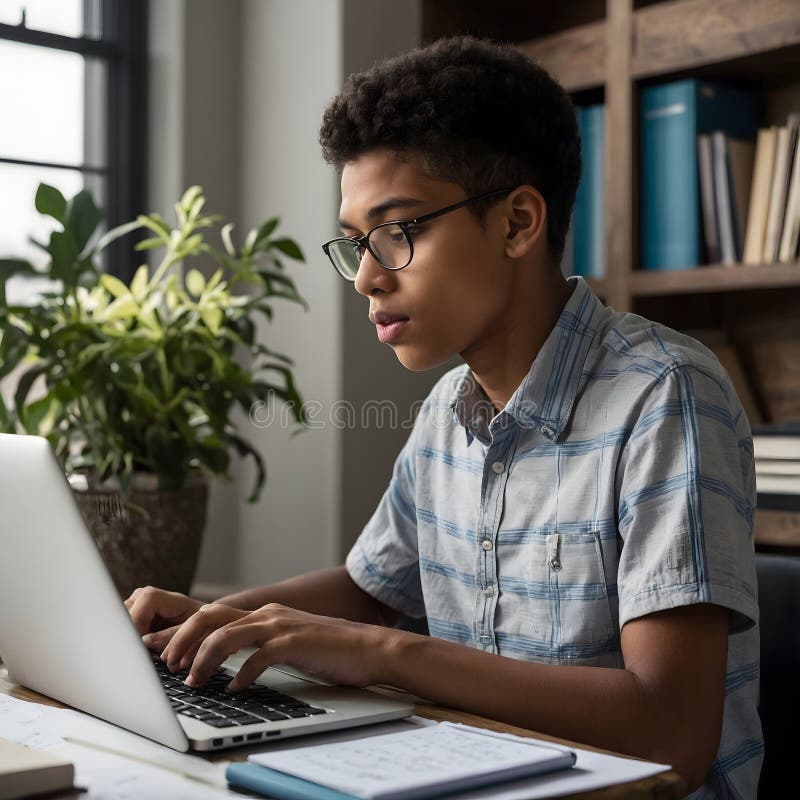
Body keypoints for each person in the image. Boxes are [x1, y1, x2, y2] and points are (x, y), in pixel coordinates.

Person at [126, 36, 762, 797]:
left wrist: (383, 654)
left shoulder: (665, 394)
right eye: (357, 243)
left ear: (518, 223)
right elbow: (374, 589)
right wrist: (213, 621)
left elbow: (669, 732)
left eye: (397, 233)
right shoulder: (445, 413)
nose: (365, 278)